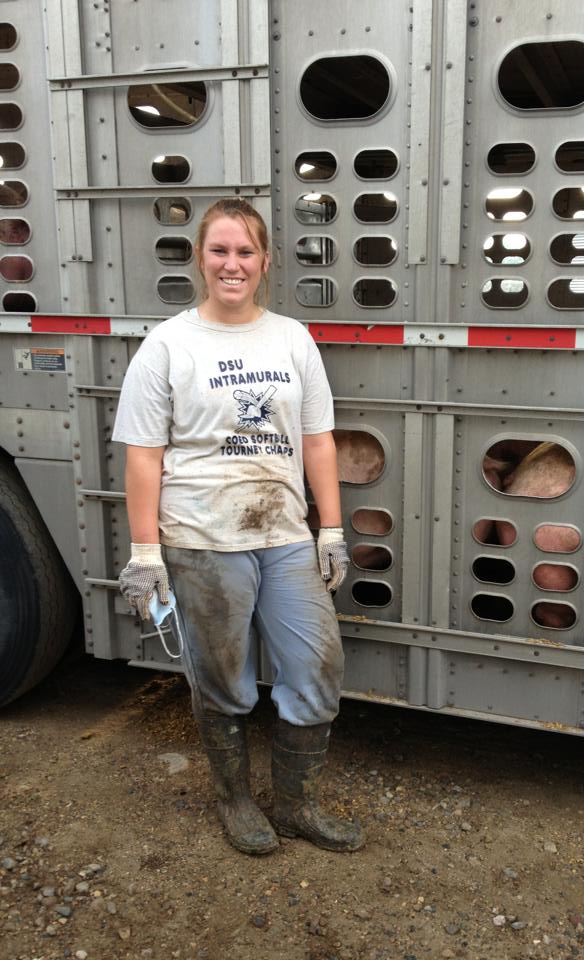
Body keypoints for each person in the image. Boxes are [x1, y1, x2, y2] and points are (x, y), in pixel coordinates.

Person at [112, 198, 364, 856]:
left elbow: (317, 441)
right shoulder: (168, 346)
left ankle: (297, 805)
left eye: (245, 252)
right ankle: (234, 798)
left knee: (318, 667)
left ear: (265, 262)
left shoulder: (291, 338)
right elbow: (143, 456)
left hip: (283, 535)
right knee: (224, 680)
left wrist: (329, 531)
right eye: (219, 250)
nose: (232, 264)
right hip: (201, 540)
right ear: (200, 258)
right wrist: (146, 554)